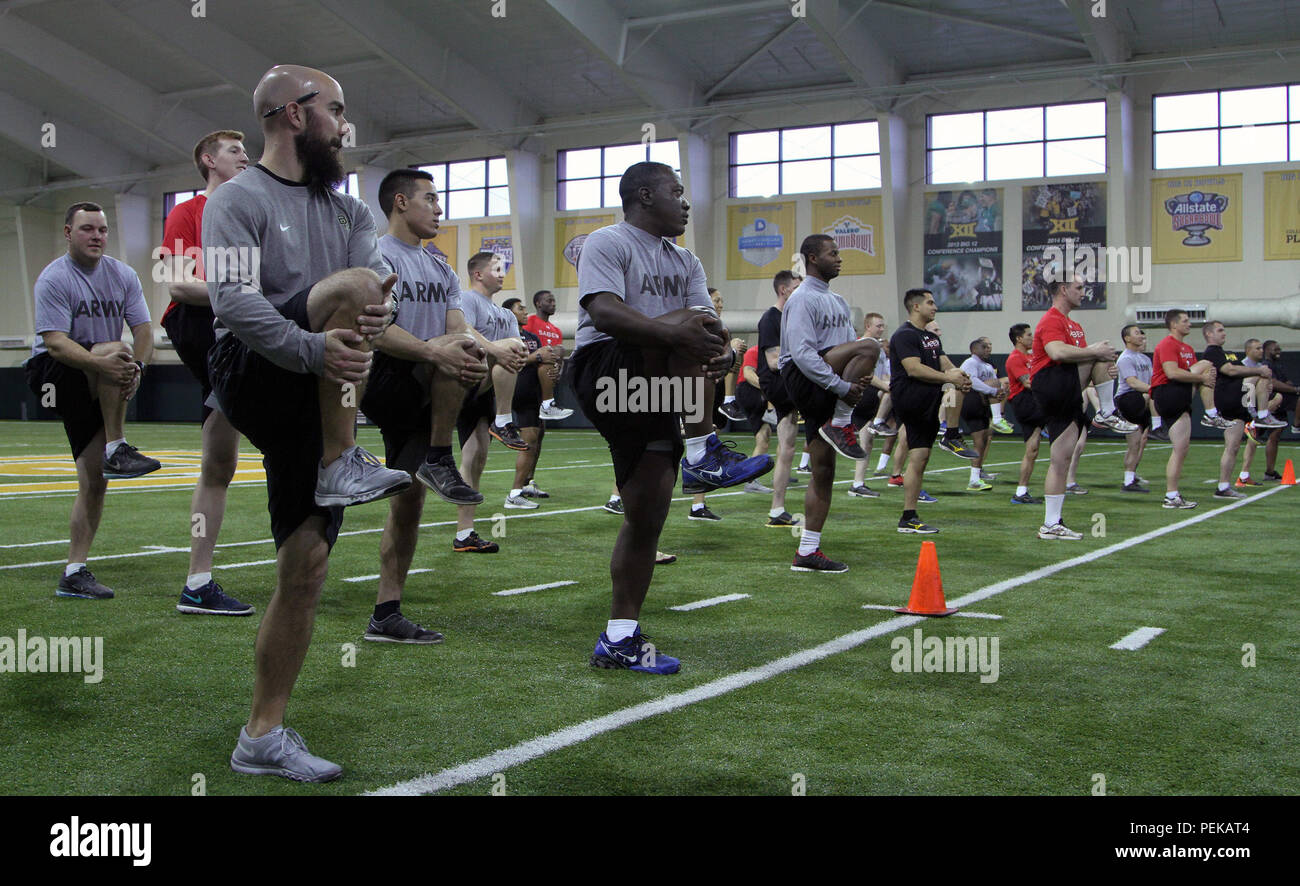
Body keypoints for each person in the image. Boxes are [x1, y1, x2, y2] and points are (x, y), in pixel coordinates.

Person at [207, 65, 407, 782]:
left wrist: (376, 322)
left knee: (306, 568)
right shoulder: (237, 198)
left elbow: (372, 298)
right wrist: (311, 347)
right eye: (337, 110)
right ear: (293, 115)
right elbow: (230, 303)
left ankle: (261, 735)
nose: (347, 125)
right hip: (256, 367)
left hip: (323, 388)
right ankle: (340, 460)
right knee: (352, 290)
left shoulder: (350, 210)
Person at [569, 161, 770, 674]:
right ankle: (704, 452)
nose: (685, 203)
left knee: (647, 514)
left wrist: (722, 354)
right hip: (608, 372)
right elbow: (605, 312)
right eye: (676, 192)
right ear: (643, 194)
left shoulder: (686, 261)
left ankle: (619, 638)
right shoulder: (607, 242)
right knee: (684, 324)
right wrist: (685, 335)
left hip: (657, 386)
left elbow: (710, 324)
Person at [360, 168, 487, 642]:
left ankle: (386, 613)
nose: (439, 208)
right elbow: (375, 330)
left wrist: (488, 351)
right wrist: (438, 350)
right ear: (399, 202)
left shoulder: (440, 266)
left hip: (431, 379)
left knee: (408, 501)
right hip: (388, 373)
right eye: (431, 199)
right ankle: (439, 458)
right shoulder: (373, 256)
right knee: (458, 353)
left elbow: (458, 326)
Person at [24, 202, 160, 600]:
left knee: (94, 481)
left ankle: (74, 571)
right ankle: (118, 446)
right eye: (87, 229)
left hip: (97, 376)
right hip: (51, 371)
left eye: (101, 229)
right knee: (113, 349)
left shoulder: (123, 274)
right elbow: (55, 342)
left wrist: (139, 369)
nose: (97, 236)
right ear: (68, 233)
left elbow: (145, 330)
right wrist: (112, 365)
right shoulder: (54, 278)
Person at [159, 130, 255, 616]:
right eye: (235, 151)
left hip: (237, 324)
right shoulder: (189, 212)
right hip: (199, 322)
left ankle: (198, 582)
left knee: (220, 458)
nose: (245, 157)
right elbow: (177, 284)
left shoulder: (249, 214)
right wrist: (237, 296)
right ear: (208, 161)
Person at [779, 234, 878, 570]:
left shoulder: (836, 300)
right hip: (802, 375)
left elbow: (848, 348)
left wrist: (858, 382)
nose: (839, 259)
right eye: (832, 253)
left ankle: (806, 552)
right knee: (871, 346)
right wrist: (840, 386)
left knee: (824, 469)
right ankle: (839, 422)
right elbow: (803, 354)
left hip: (826, 379)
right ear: (811, 258)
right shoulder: (803, 298)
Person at [1029, 279, 1127, 539]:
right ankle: (1106, 412)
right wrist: (1095, 353)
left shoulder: (1074, 325)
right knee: (1099, 351)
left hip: (1067, 388)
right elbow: (1057, 352)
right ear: (1063, 290)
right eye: (1079, 288)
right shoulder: (1052, 319)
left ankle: (1051, 524)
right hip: (1050, 382)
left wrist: (1104, 372)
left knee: (1060, 460)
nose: (1084, 293)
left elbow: (1079, 360)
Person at [453, 252, 529, 553]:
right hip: (465, 378)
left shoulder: (507, 315)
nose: (501, 273)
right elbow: (463, 330)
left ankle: (464, 533)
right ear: (478, 274)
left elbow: (515, 354)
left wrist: (516, 354)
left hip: (487, 390)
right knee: (510, 345)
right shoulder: (467, 299)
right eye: (495, 269)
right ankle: (504, 420)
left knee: (475, 458)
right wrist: (498, 350)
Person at [890, 289, 970, 534]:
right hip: (911, 396)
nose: (935, 306)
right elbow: (914, 369)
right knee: (953, 386)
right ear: (915, 306)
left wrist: (963, 377)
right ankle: (952, 434)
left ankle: (908, 517)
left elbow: (945, 363)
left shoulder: (931, 337)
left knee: (920, 457)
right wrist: (951, 379)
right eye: (930, 302)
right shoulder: (904, 335)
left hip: (928, 394)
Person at [1148, 309, 1215, 509]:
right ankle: (1211, 413)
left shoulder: (1187, 347)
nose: (1189, 324)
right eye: (1185, 321)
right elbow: (1172, 372)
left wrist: (1202, 378)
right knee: (1206, 364)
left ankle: (1172, 494)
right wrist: (1203, 377)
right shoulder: (1168, 344)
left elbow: (1190, 377)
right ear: (1174, 324)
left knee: (1181, 449)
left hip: (1181, 395)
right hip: (1168, 392)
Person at [503, 296, 561, 509]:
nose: (525, 312)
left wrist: (550, 368)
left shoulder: (532, 337)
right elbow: (507, 359)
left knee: (534, 438)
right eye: (520, 308)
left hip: (531, 393)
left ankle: (524, 486)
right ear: (509, 313)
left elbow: (540, 360)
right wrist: (537, 357)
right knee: (527, 441)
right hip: (509, 391)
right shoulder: (503, 333)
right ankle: (514, 494)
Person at [758, 269, 803, 528]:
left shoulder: (793, 317)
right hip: (778, 384)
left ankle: (777, 509)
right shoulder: (771, 319)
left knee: (787, 449)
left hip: (788, 382)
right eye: (796, 288)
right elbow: (774, 362)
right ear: (784, 290)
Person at [849, 312, 891, 498]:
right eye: (878, 326)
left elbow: (883, 375)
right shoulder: (862, 346)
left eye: (883, 326)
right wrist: (887, 388)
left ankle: (858, 483)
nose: (881, 329)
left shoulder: (879, 349)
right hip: (858, 396)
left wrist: (888, 385)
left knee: (867, 442)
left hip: (872, 397)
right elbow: (865, 375)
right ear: (867, 326)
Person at [958, 336, 1007, 491]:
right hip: (971, 401)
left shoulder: (987, 365)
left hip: (983, 402)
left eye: (989, 347)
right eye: (984, 347)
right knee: (979, 441)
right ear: (974, 349)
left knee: (983, 441)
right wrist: (993, 390)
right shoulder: (970, 362)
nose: (988, 349)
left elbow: (995, 383)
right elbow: (973, 382)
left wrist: (998, 393)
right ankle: (974, 479)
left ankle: (976, 478)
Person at [1005, 323, 1044, 505]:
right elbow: (1028, 383)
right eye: (1029, 335)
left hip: (1032, 400)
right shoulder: (1015, 358)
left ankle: (1021, 491)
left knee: (1033, 449)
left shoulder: (1031, 357)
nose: (1032, 338)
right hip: (1025, 401)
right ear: (1019, 339)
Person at [1114, 324, 1153, 493]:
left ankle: (1130, 478)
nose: (1141, 336)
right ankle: (1128, 481)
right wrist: (1155, 390)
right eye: (1136, 333)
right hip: (1129, 398)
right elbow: (1132, 383)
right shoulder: (1125, 358)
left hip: (1142, 398)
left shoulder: (1145, 359)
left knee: (1138, 443)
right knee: (1134, 442)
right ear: (1127, 338)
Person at [524, 289, 573, 421]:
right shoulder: (530, 322)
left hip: (547, 376)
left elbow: (558, 357)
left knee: (540, 428)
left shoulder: (556, 331)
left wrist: (559, 371)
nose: (553, 304)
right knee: (531, 423)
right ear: (538, 303)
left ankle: (548, 406)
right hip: (531, 370)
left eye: (554, 301)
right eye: (549, 300)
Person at [1262, 340, 1300, 480]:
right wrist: (1294, 389)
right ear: (1266, 350)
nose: (1278, 351)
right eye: (1275, 349)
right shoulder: (1267, 365)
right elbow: (1274, 383)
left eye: (1279, 348)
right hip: (1272, 401)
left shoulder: (1278, 365)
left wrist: (1289, 385)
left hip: (1280, 401)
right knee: (1256, 439)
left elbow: (1284, 382)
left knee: (1275, 436)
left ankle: (1269, 472)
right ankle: (1296, 426)